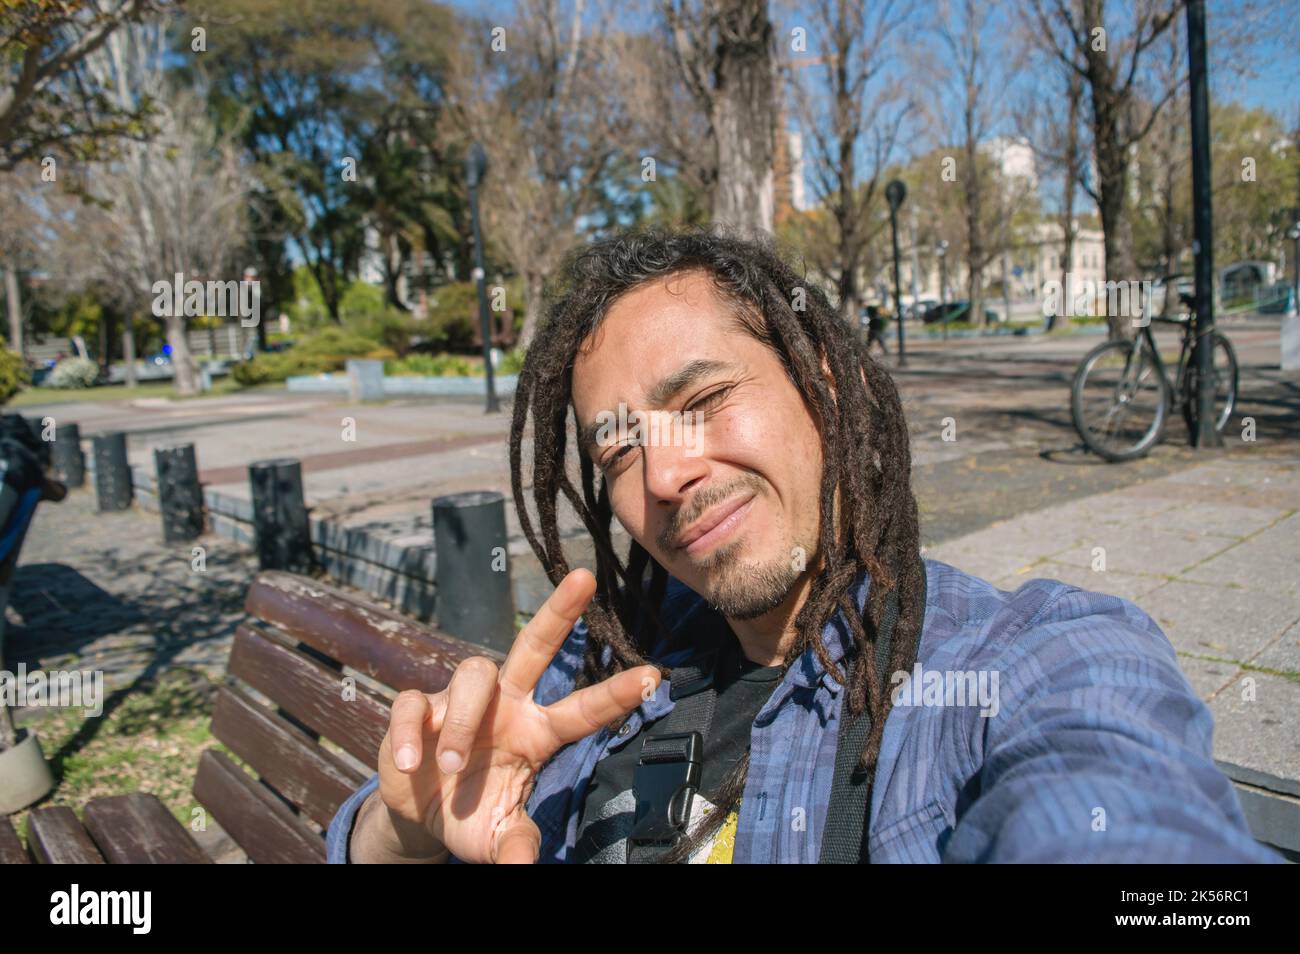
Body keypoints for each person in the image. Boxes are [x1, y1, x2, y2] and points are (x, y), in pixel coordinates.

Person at [327, 228, 1280, 864]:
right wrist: (405, 830)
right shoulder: (602, 674)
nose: (664, 478)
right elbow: (370, 835)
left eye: (701, 403)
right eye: (620, 447)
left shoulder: (1019, 667)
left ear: (821, 384)